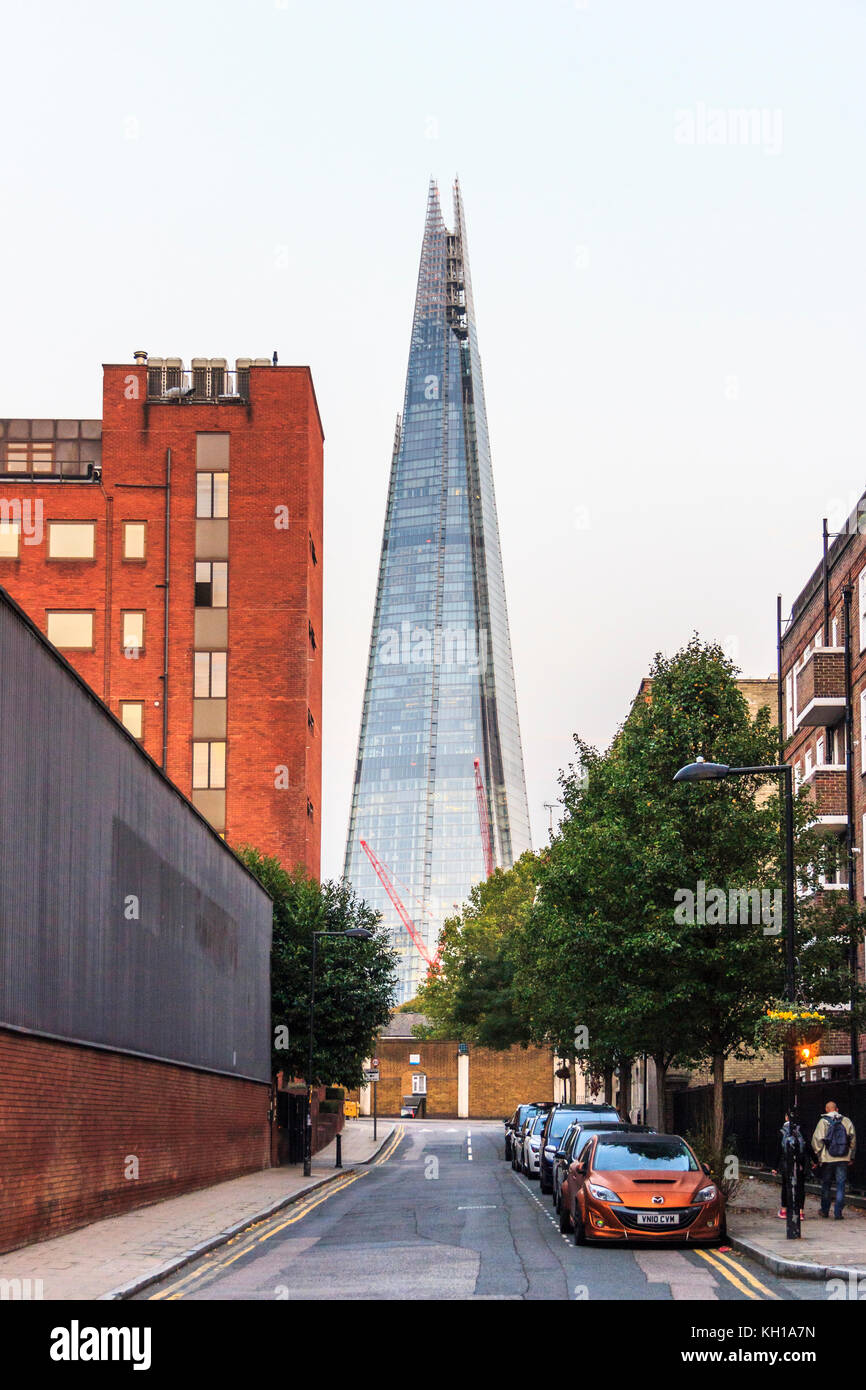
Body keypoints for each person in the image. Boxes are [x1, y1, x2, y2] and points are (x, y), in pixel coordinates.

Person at [811, 1100, 856, 1220]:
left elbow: (817, 1140)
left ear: (826, 1109)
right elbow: (852, 1139)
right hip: (843, 1157)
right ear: (837, 1109)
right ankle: (838, 1212)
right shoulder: (846, 1121)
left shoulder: (823, 1122)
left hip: (827, 1158)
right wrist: (851, 1156)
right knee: (841, 1184)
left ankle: (825, 1210)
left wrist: (818, 1156)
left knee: (826, 1184)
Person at [777, 1112, 804, 1221]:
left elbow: (778, 1150)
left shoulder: (782, 1131)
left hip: (786, 1163)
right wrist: (815, 1161)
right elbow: (807, 1147)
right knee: (800, 1187)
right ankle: (800, 1211)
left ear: (786, 1117)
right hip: (799, 1163)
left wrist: (775, 1166)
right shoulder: (800, 1130)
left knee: (785, 1185)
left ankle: (784, 1210)